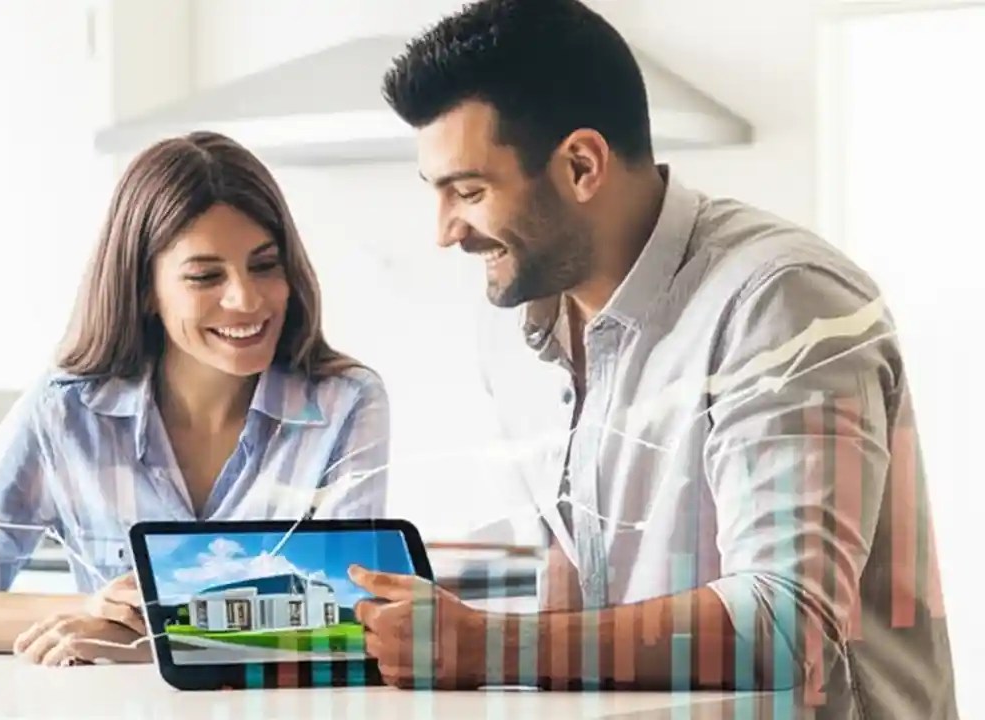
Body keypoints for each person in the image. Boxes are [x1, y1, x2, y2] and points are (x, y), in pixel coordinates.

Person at [347, 0, 957, 717]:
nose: (446, 231)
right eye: (438, 193)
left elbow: (788, 625)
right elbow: (576, 592)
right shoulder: (522, 321)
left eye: (470, 191)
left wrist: (487, 645)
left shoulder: (783, 300)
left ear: (581, 165)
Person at [0, 131, 390, 666]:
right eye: (205, 276)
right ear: (146, 289)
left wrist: (147, 638)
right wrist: (94, 611)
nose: (245, 299)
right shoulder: (66, 412)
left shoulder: (345, 405)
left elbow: (351, 619)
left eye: (264, 265)